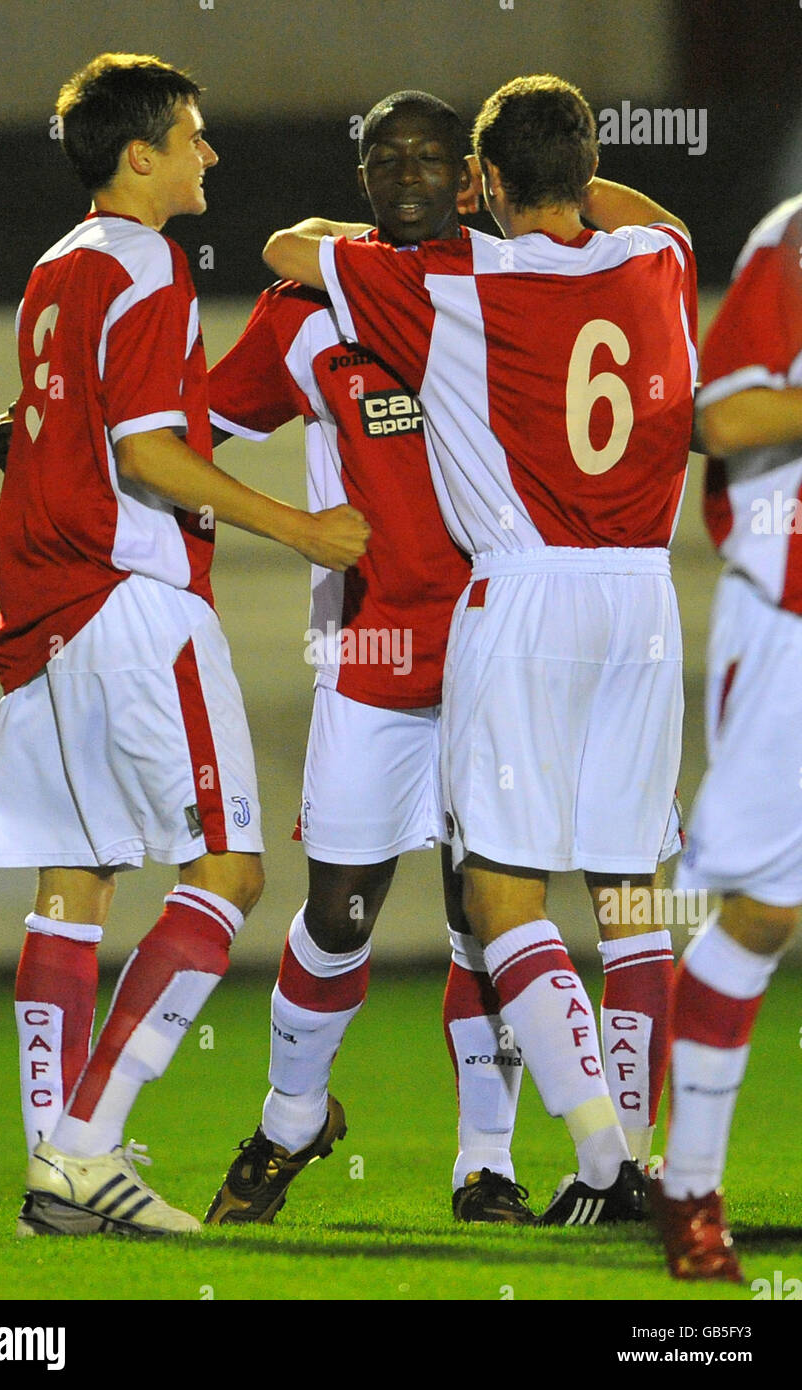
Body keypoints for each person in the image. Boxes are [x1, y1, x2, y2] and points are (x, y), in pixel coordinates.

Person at [262, 73, 697, 1224]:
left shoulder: (459, 283)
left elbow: (291, 246)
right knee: (632, 893)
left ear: (482, 182)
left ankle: (603, 1160)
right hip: (647, 604)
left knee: (499, 894)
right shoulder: (660, 265)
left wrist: (482, 198)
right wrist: (557, 171)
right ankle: (638, 1157)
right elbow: (658, 218)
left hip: (527, 596)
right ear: (586, 168)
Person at [0, 51, 368, 1238]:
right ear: (138, 152)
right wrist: (303, 524)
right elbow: (147, 453)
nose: (211, 154)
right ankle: (88, 1148)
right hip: (135, 608)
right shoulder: (147, 261)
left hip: (40, 614)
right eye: (194, 136)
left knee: (72, 882)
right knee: (231, 872)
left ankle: (54, 1160)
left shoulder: (54, 270)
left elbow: (41, 430)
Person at [203, 92, 530, 1226]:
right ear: (360, 183)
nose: (406, 170)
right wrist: (63, 434)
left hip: (499, 642)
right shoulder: (306, 309)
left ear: (475, 176)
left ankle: (485, 1162)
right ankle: (295, 1117)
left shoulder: (515, 285)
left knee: (487, 914)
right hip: (372, 650)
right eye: (384, 155)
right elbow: (194, 430)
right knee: (338, 913)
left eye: (430, 154)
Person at [655, 192, 802, 1280]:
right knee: (761, 909)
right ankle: (691, 1186)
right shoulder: (794, 242)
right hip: (791, 612)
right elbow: (722, 418)